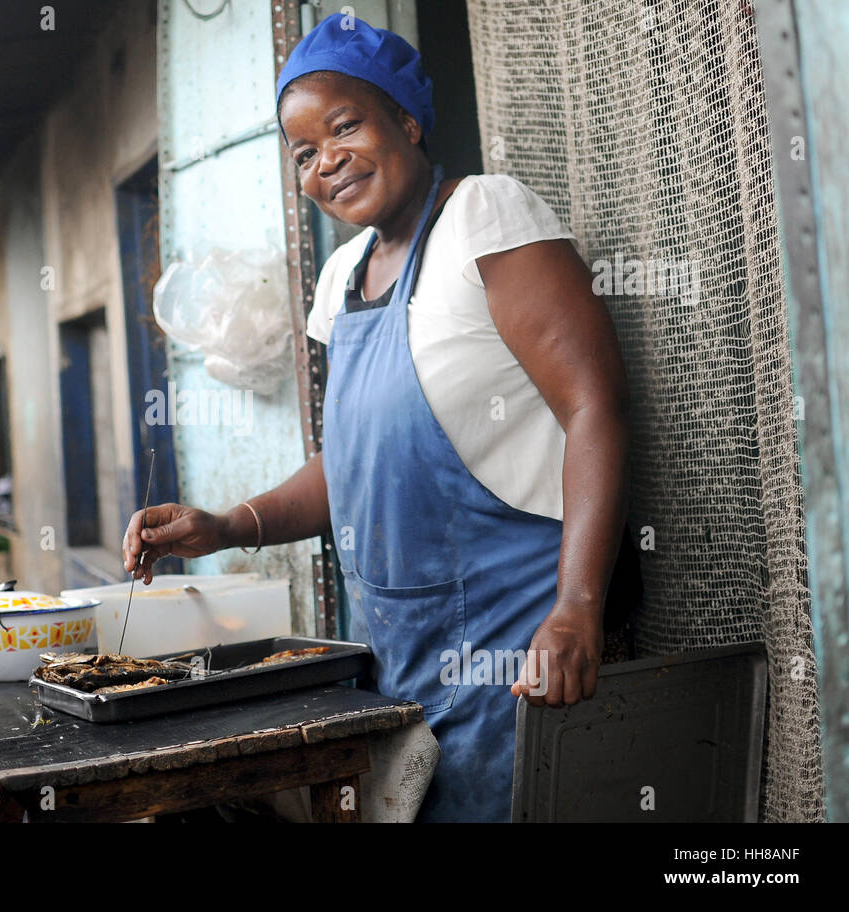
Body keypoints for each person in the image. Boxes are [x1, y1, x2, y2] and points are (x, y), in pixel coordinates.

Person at [122, 14, 633, 823]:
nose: (327, 160)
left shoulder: (483, 219)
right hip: (403, 667)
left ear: (406, 118)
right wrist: (225, 525)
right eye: (303, 153)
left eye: (346, 125)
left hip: (519, 656)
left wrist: (577, 606)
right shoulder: (340, 280)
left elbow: (593, 405)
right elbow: (352, 466)